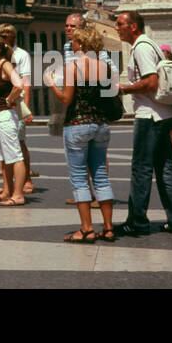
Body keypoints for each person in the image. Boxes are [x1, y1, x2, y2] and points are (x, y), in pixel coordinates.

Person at [114, 10, 172, 236]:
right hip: (166, 115)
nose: (116, 28)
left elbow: (151, 82)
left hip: (150, 116)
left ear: (133, 26)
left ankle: (137, 222)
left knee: (141, 170)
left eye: (120, 24)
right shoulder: (152, 45)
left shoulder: (141, 48)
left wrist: (123, 89)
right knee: (166, 169)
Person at [47, 21, 117, 241]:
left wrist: (51, 84)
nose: (72, 42)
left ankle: (86, 228)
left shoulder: (72, 67)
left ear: (81, 43)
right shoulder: (104, 67)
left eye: (75, 39)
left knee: (78, 178)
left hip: (78, 125)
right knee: (101, 176)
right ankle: (107, 227)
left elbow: (67, 99)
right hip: (101, 125)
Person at [0, 34, 27, 205]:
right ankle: (7, 191)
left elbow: (19, 84)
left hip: (5, 115)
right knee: (4, 156)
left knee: (14, 155)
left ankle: (18, 194)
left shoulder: (6, 65)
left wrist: (10, 99)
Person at [0, 25, 36, 192]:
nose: (3, 39)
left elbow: (25, 83)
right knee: (1, 144)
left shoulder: (22, 55)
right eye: (0, 36)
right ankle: (8, 184)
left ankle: (27, 179)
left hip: (17, 103)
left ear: (12, 38)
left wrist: (26, 109)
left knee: (20, 143)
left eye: (5, 36)